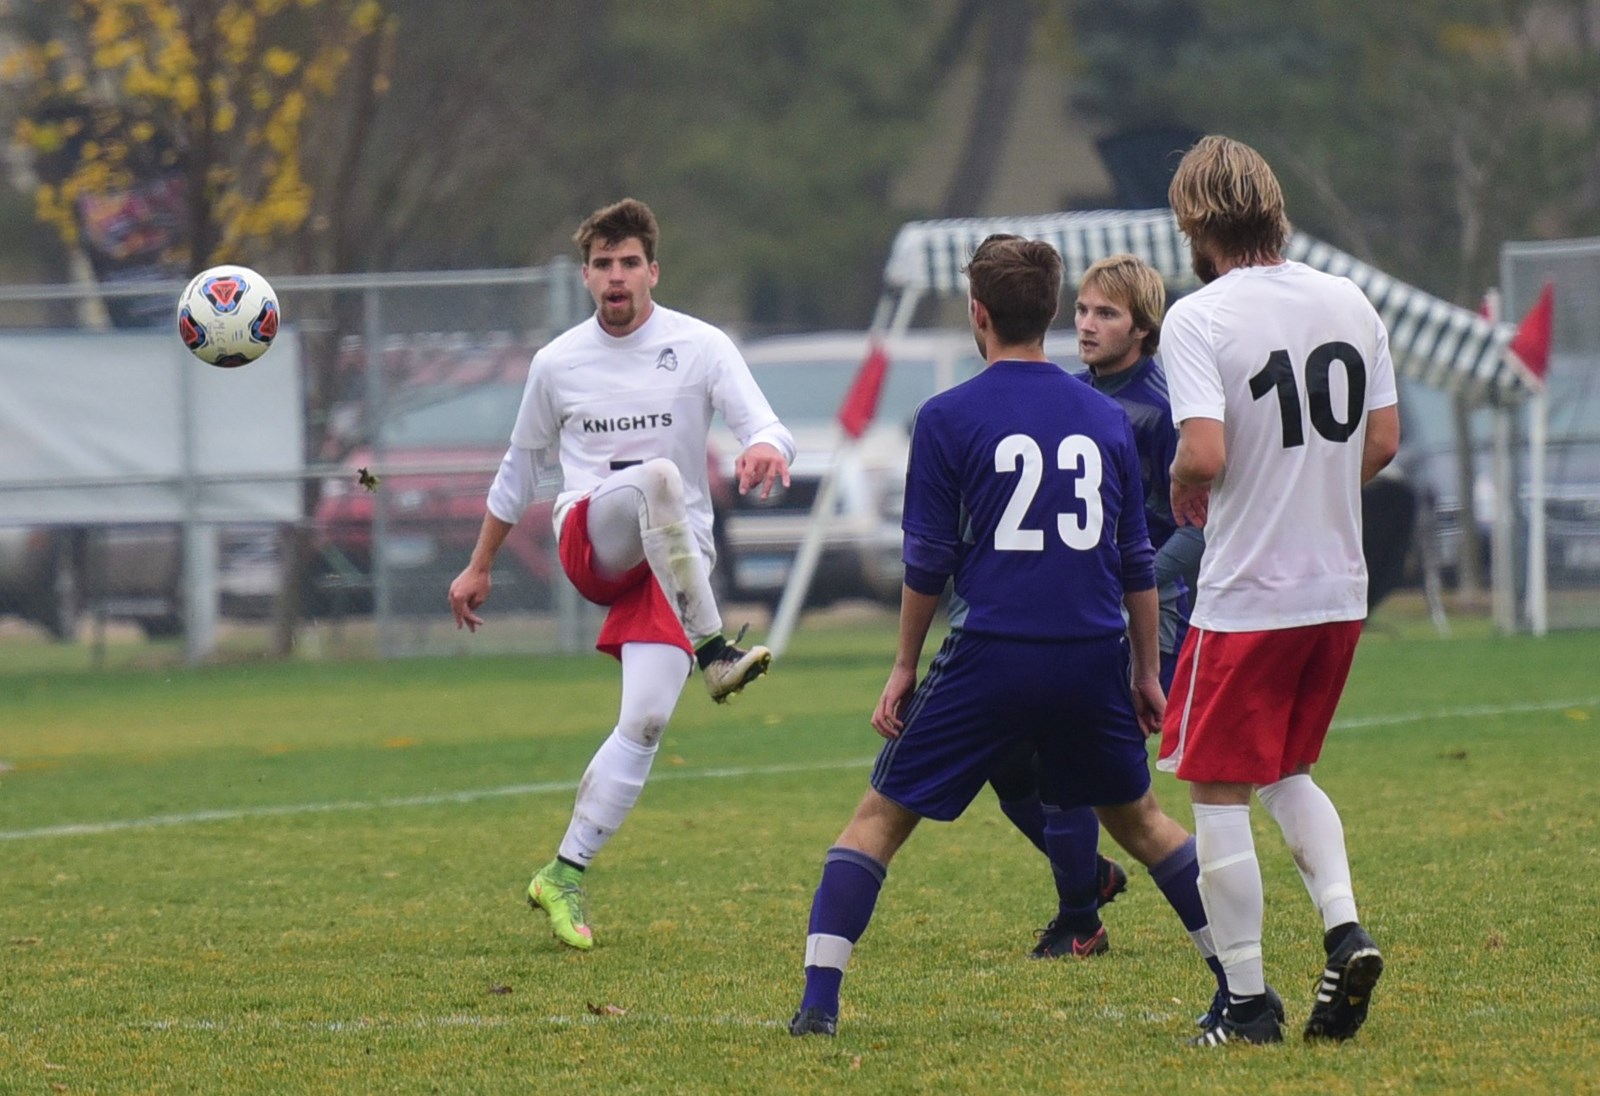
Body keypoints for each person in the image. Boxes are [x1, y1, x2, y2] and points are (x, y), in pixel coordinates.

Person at [788, 234, 1231, 1039]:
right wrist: (1142, 670)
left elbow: (928, 560)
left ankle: (818, 1007)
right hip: (1094, 652)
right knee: (1141, 823)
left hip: (992, 651)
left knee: (878, 822)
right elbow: (1136, 559)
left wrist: (901, 666)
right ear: (1054, 313)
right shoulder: (1103, 414)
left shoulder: (948, 416)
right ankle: (1238, 979)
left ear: (977, 315)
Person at [448, 198, 795, 951]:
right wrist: (479, 566)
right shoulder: (558, 363)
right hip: (594, 539)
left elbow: (765, 422)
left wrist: (769, 447)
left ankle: (562, 874)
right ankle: (717, 657)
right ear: (586, 277)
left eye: (628, 262)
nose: (616, 275)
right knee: (658, 477)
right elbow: (519, 469)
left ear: (653, 271)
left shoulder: (700, 346)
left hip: (674, 568)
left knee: (643, 721)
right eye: (603, 263)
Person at [1158, 135, 1400, 1046]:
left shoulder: (1199, 317)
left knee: (1218, 788)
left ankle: (1251, 1003)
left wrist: (1188, 478)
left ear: (1194, 221)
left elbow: (1207, 453)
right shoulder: (1349, 298)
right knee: (1287, 770)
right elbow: (1380, 443)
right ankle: (1344, 930)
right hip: (1337, 587)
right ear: (1274, 209)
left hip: (1250, 589)